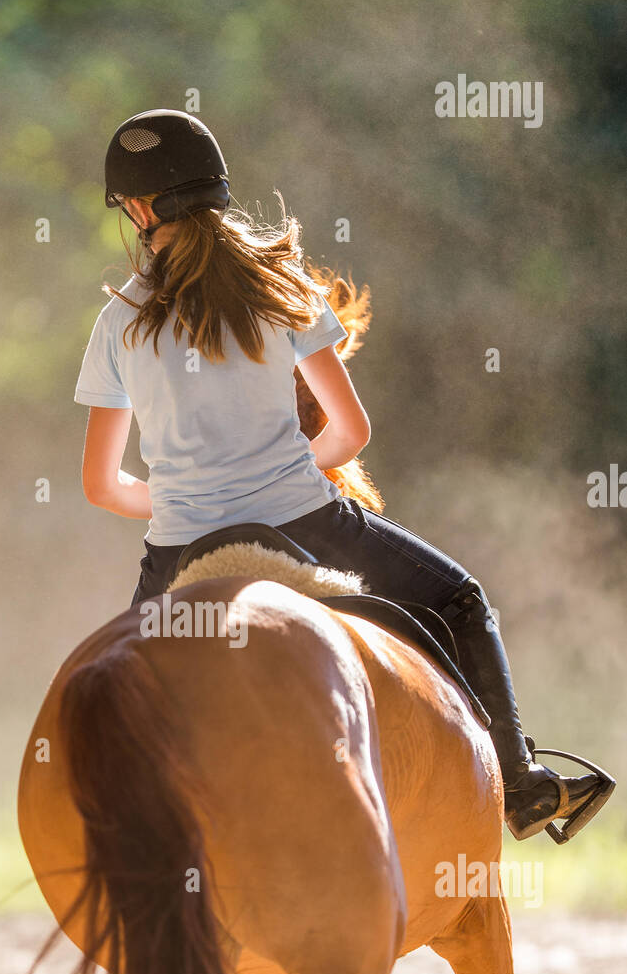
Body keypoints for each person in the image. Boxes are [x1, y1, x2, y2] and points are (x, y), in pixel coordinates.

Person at [74, 108, 613, 843]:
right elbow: (350, 432)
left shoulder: (119, 322)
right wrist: (281, 467)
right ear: (216, 191)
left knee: (107, 691)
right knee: (459, 599)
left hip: (178, 545)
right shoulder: (281, 287)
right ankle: (519, 786)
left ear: (135, 209)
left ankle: (107, 836)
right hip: (304, 519)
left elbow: (101, 485)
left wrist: (178, 495)